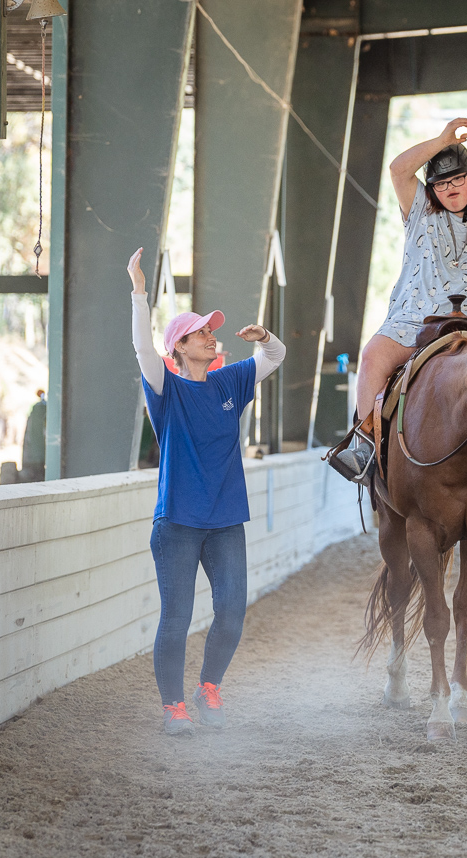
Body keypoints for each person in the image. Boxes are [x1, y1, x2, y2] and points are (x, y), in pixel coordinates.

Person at [333, 117, 467, 483]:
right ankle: (365, 449)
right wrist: (440, 140)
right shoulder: (419, 208)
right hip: (416, 320)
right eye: (441, 182)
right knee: (371, 359)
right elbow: (399, 170)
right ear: (431, 188)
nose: (451, 187)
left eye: (458, 179)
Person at [127, 247, 286, 735]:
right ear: (179, 345)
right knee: (176, 618)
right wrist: (138, 290)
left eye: (212, 332)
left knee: (232, 613)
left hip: (224, 520)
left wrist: (264, 336)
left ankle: (208, 687)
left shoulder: (231, 382)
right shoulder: (165, 389)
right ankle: (173, 706)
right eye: (201, 333)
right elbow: (141, 348)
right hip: (176, 521)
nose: (212, 337)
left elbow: (275, 356)